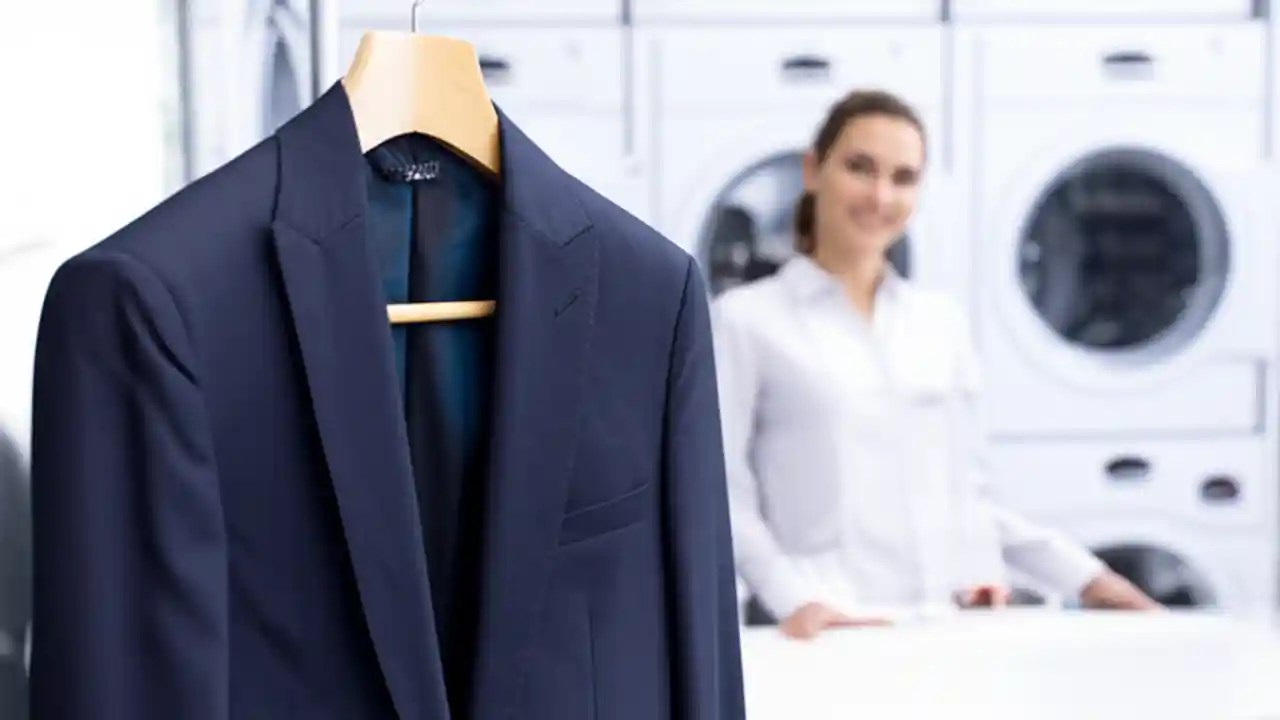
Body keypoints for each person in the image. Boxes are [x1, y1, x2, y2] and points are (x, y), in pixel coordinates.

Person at [711, 89, 1159, 640]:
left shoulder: (938, 322)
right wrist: (793, 599)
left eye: (903, 178)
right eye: (860, 168)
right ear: (813, 169)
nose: (880, 195)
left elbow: (968, 495)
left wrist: (1089, 577)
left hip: (953, 620)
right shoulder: (746, 320)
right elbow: (720, 492)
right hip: (831, 627)